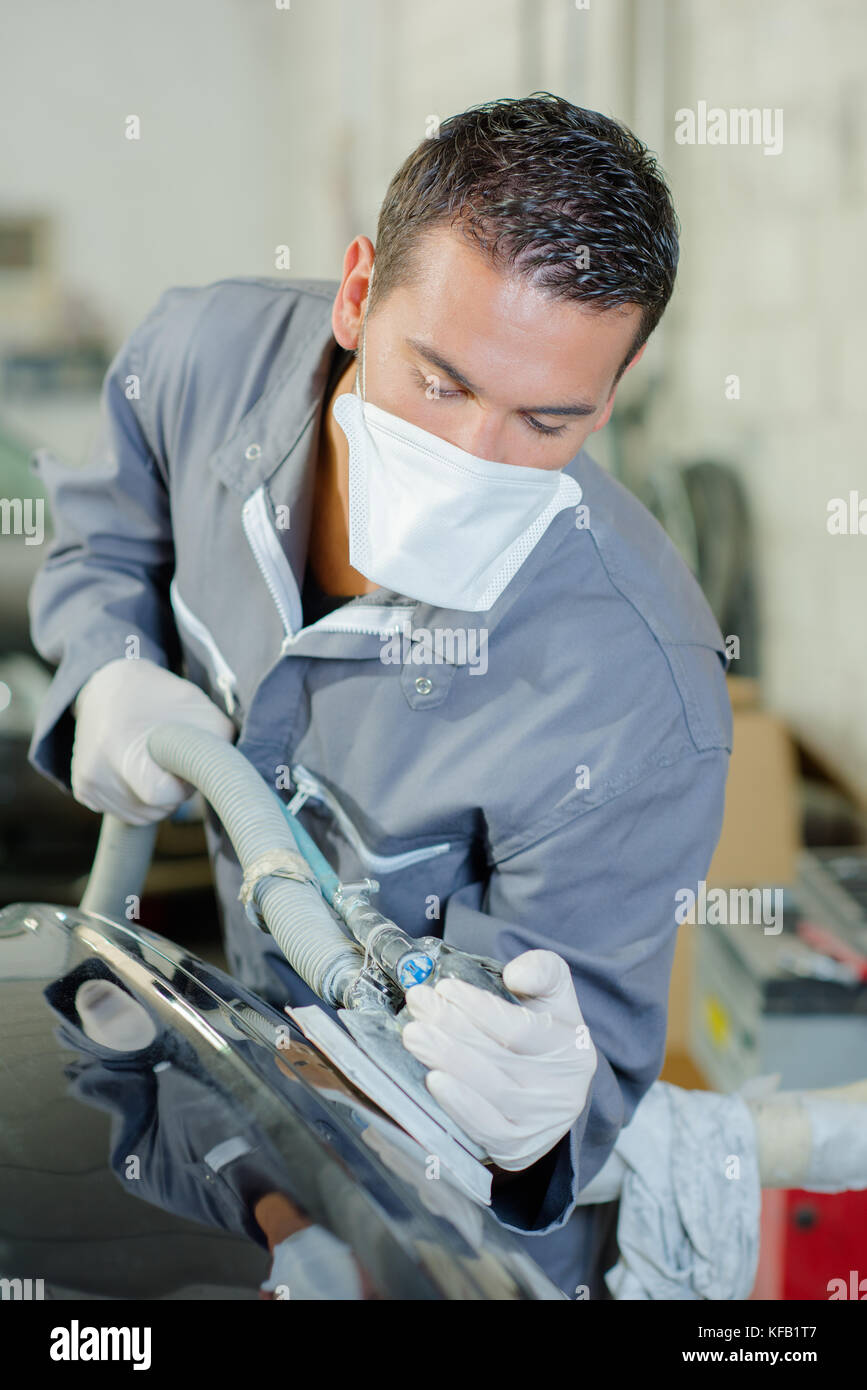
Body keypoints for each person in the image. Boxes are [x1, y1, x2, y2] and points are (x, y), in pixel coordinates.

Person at [27, 92, 731, 1298]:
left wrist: (535, 1116)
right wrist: (105, 665)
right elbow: (103, 542)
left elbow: (575, 1093)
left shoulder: (634, 699)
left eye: (545, 418)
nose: (471, 464)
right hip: (235, 1109)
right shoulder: (198, 363)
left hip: (441, 1227)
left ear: (612, 393)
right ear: (357, 294)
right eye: (441, 383)